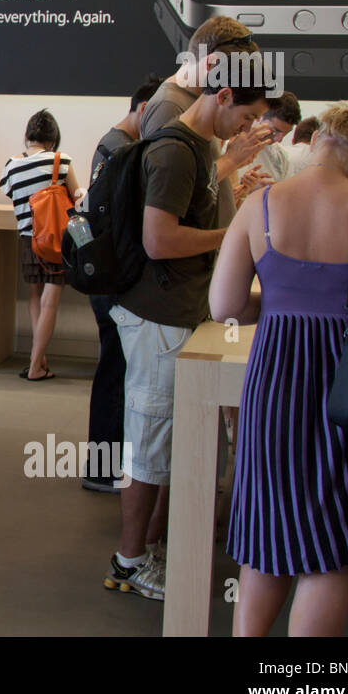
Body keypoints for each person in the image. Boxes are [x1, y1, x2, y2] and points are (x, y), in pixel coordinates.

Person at [211, 99, 348, 635]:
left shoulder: (260, 204)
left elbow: (225, 306)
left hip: (276, 378)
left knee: (269, 534)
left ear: (316, 143)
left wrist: (285, 303)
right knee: (330, 547)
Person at [103, 47, 270, 601]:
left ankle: (145, 550)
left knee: (164, 445)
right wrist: (235, 232)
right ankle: (129, 560)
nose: (245, 129)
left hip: (176, 315)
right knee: (149, 446)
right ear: (222, 97)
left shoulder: (199, 147)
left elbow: (190, 208)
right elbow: (160, 240)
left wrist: (229, 178)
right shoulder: (176, 151)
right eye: (244, 118)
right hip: (158, 319)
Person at [82, 76, 159, 491]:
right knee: (115, 371)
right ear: (146, 108)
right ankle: (102, 468)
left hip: (110, 276)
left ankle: (105, 465)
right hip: (115, 279)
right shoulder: (121, 148)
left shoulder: (115, 144)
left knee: (115, 369)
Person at [139, 16, 273, 228]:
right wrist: (232, 159)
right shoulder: (169, 106)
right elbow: (166, 192)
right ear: (212, 64)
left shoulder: (202, 104)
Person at [0, 109, 82, 382]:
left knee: (35, 297)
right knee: (50, 303)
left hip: (27, 239)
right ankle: (35, 366)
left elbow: (11, 194)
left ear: (28, 136)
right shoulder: (61, 160)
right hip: (55, 240)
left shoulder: (11, 165)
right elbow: (78, 196)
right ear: (53, 138)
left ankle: (39, 358)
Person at [232, 92, 302, 206]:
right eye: (275, 131)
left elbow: (285, 198)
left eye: (285, 133)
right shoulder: (230, 144)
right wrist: (247, 190)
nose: (279, 139)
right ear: (259, 117)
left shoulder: (280, 157)